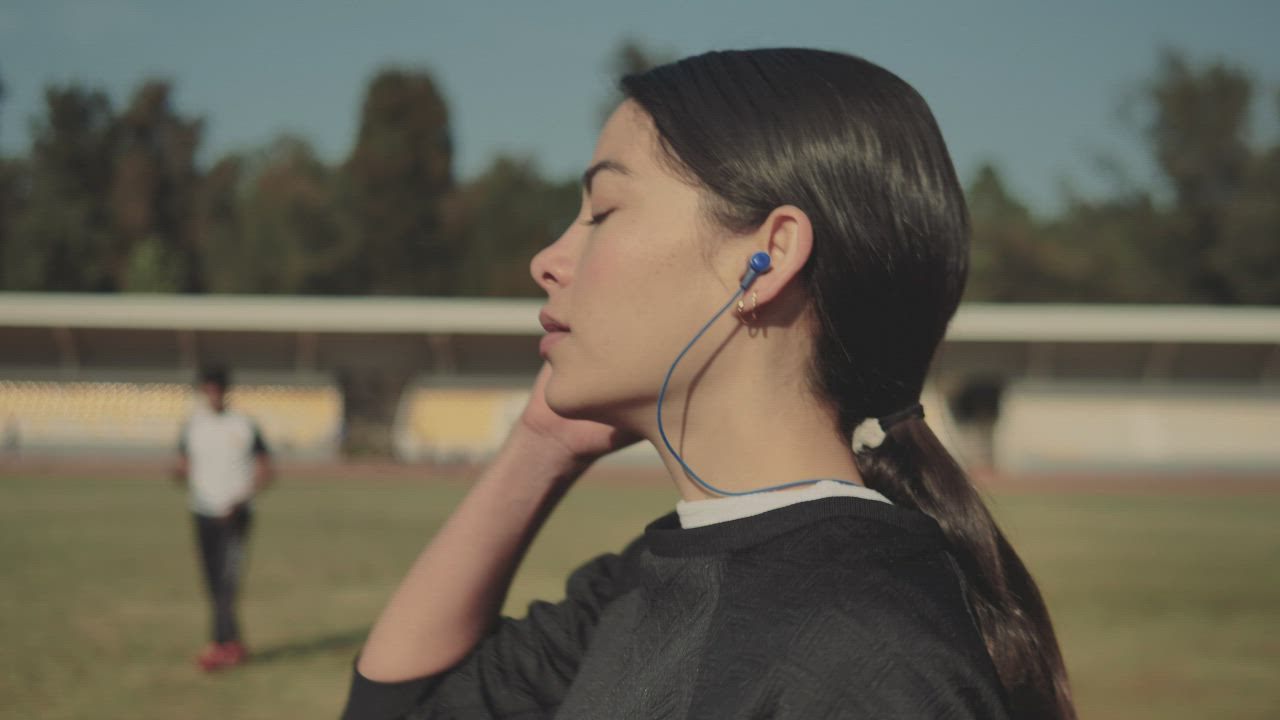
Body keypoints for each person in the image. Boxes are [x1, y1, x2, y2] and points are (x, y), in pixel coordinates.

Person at [343, 49, 1076, 719]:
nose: (547, 260)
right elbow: (401, 710)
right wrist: (541, 447)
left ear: (767, 257)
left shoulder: (868, 664)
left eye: (602, 212)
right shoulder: (644, 581)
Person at [173, 366, 273, 671]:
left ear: (225, 391)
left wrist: (241, 499)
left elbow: (265, 470)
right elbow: (183, 464)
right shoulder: (193, 425)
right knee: (213, 582)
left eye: (218, 389)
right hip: (202, 512)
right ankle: (232, 644)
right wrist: (179, 474)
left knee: (228, 583)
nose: (213, 395)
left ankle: (220, 645)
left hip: (235, 515)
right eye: (208, 389)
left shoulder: (244, 424)